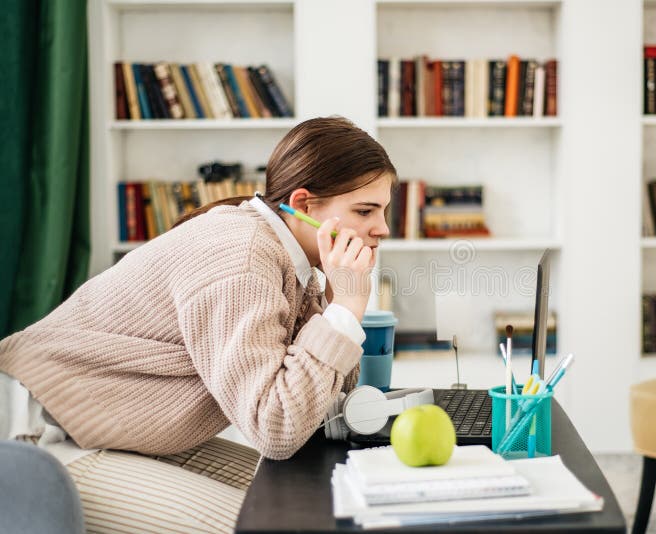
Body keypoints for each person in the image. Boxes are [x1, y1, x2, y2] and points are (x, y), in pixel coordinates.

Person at [0, 116, 396, 532]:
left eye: (383, 210)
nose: (383, 229)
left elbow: (322, 405)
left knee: (318, 497)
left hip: (112, 427)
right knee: (276, 523)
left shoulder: (291, 265)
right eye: (364, 210)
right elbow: (277, 425)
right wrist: (345, 308)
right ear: (303, 205)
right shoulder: (242, 256)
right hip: (41, 435)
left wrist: (335, 300)